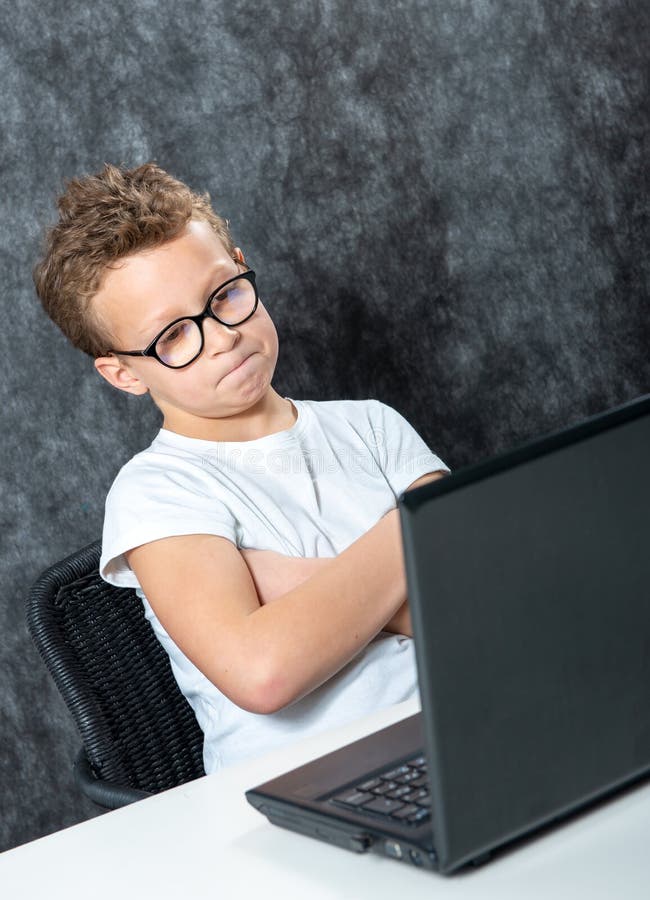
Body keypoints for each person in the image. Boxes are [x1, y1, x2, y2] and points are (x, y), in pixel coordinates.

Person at [33, 162, 451, 773]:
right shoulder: (156, 493)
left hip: (461, 736)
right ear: (123, 372)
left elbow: (473, 604)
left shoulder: (373, 427)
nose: (222, 337)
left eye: (225, 295)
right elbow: (263, 672)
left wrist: (282, 581)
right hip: (305, 785)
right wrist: (414, 530)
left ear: (240, 263)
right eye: (173, 335)